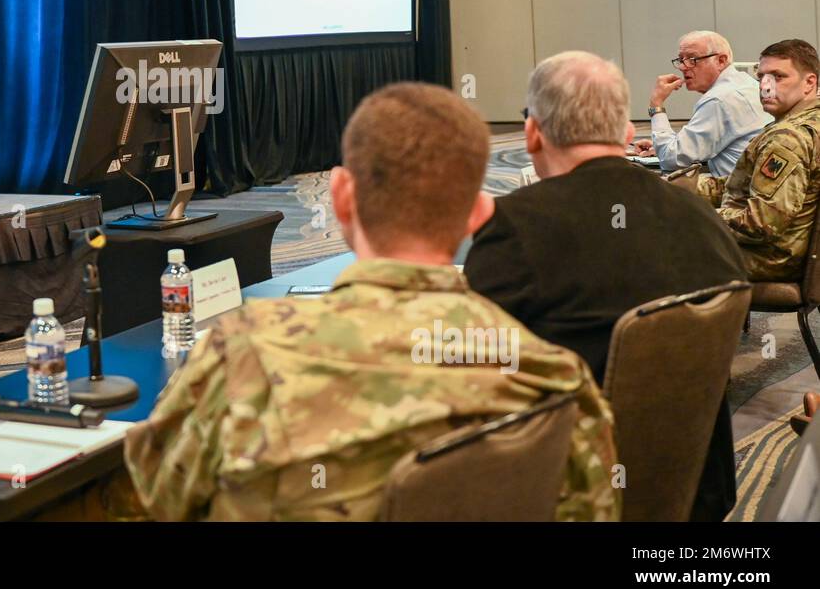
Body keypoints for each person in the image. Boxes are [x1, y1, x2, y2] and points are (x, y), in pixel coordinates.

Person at [123, 83, 619, 522]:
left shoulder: (242, 356)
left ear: (340, 196)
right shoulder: (554, 379)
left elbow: (154, 502)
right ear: (480, 213)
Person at [464, 51, 747, 521]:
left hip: (571, 489)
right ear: (628, 133)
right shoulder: (702, 217)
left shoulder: (516, 227)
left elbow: (476, 375)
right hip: (697, 485)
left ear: (533, 133)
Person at [698, 39, 820, 281]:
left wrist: (691, 213)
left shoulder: (787, 139)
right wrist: (683, 189)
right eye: (761, 77)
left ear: (809, 82)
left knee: (654, 248)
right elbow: (748, 186)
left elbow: (761, 224)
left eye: (778, 77)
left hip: (769, 258)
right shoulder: (807, 122)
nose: (765, 87)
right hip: (786, 251)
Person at [632, 30, 768, 176]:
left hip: (734, 196)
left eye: (692, 59)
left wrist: (656, 104)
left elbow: (670, 159)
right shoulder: (746, 84)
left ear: (721, 61)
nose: (683, 67)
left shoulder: (719, 100)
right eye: (681, 60)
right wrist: (671, 144)